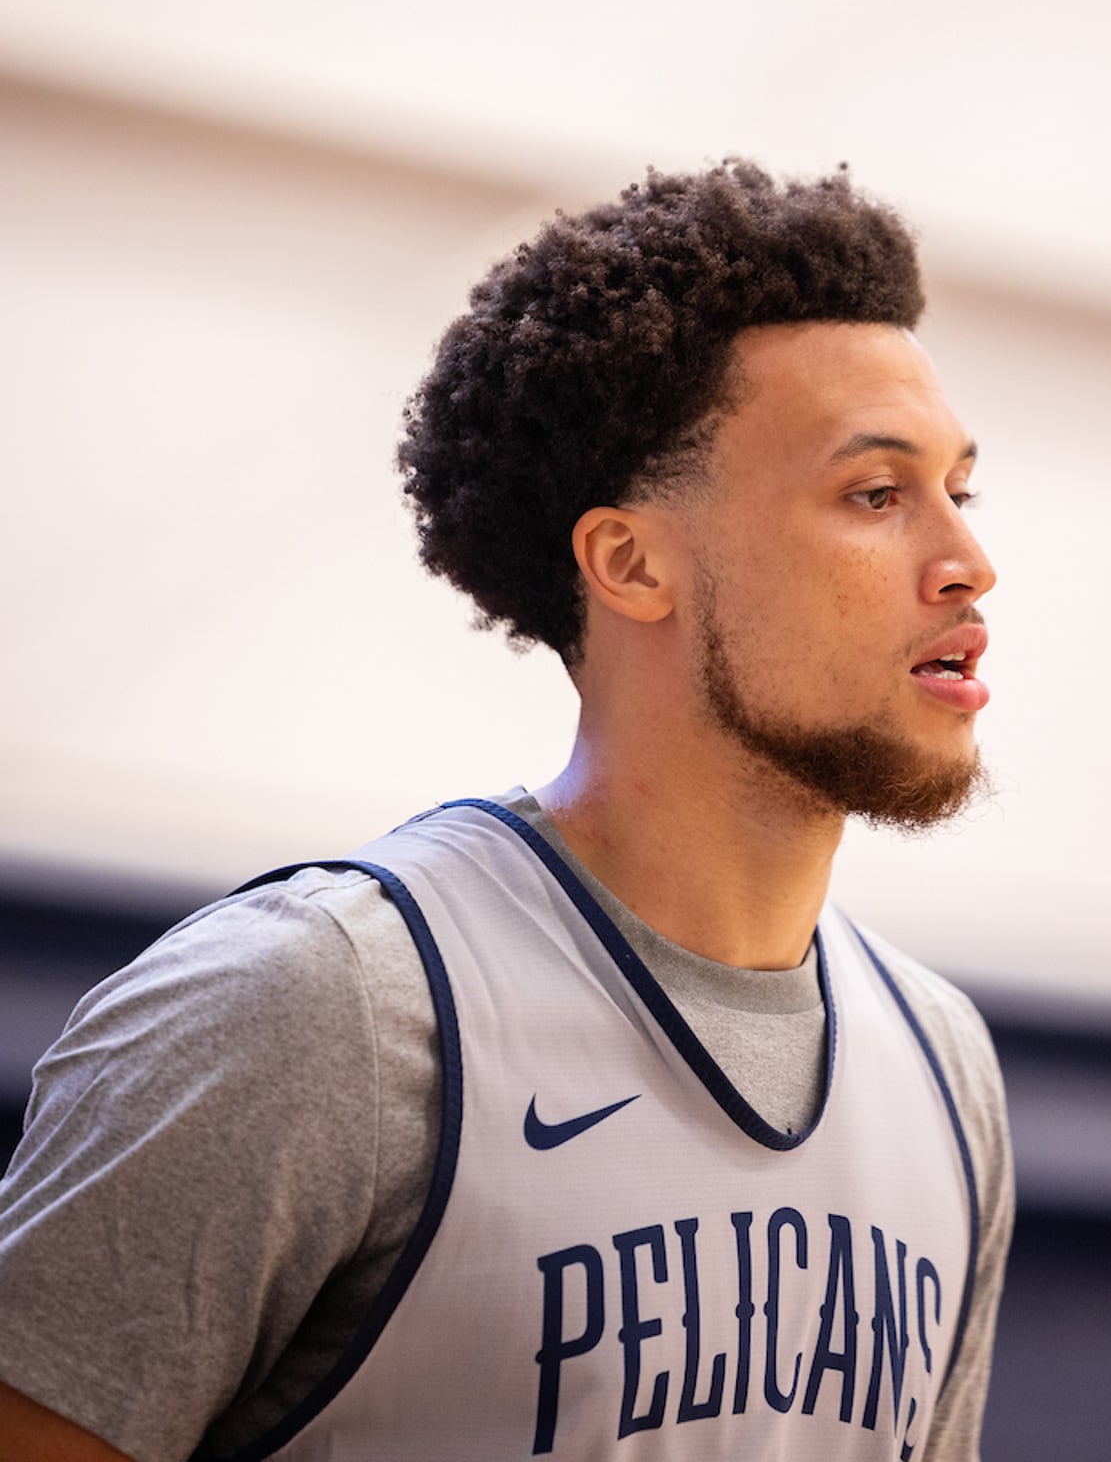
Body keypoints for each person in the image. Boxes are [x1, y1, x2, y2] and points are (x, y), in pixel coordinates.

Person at [0, 161, 1013, 1460]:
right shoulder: (316, 1012)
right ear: (633, 562)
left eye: (959, 490)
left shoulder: (944, 1071)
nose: (969, 560)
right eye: (877, 493)